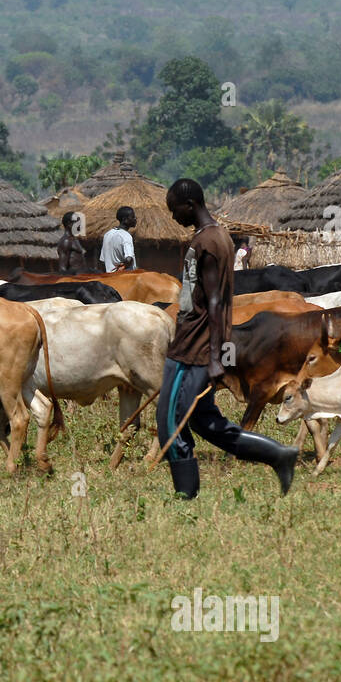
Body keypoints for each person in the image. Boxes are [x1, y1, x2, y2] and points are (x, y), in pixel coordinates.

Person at [156, 178, 297, 499]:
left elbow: (217, 302)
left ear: (189, 204)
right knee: (205, 422)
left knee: (170, 422)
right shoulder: (213, 238)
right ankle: (278, 455)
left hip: (194, 349)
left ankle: (185, 498)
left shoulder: (210, 242)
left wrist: (218, 356)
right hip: (194, 343)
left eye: (174, 210)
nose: (174, 217)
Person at [99, 206, 137, 272]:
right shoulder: (126, 236)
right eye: (133, 217)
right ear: (125, 219)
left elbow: (103, 260)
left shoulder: (107, 234)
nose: (135, 219)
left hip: (108, 278)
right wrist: (122, 267)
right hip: (123, 278)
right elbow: (129, 259)